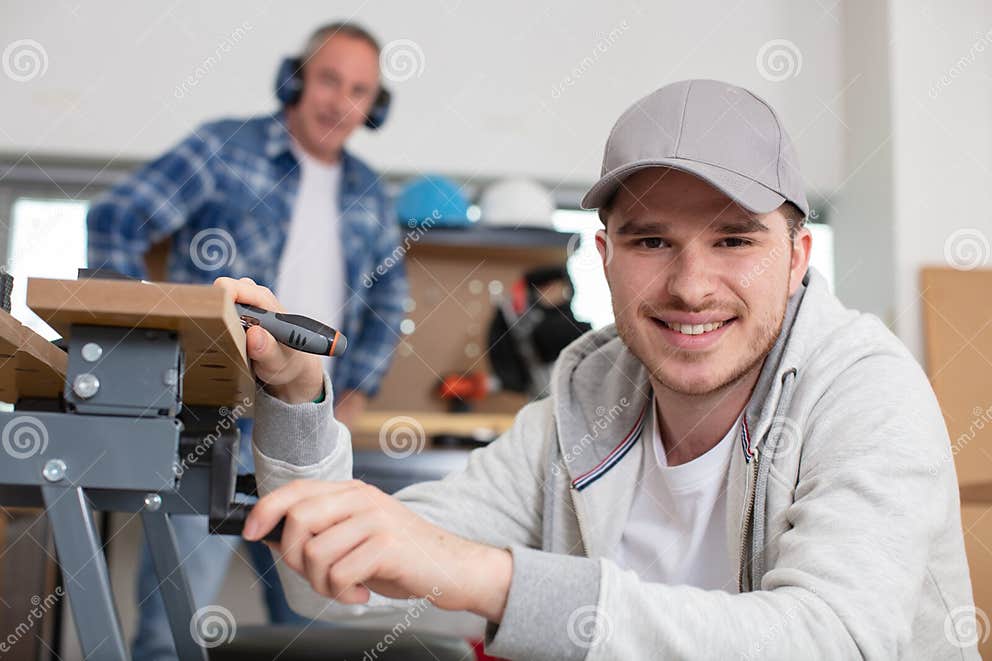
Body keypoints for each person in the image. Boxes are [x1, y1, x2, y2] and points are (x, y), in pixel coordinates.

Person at [232, 79, 978, 659]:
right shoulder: (585, 399)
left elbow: (835, 642)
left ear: (796, 259)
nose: (692, 287)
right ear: (605, 259)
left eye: (734, 240)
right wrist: (296, 398)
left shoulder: (865, 392)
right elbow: (332, 584)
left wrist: (494, 579)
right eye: (652, 241)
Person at [85, 22, 407, 660]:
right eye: (329, 80)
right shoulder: (223, 147)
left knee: (309, 629)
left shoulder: (371, 191)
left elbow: (391, 301)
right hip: (211, 419)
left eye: (360, 90)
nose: (340, 101)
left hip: (307, 430)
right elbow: (115, 220)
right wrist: (144, 342)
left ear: (376, 107)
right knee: (174, 631)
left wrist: (357, 391)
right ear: (295, 79)